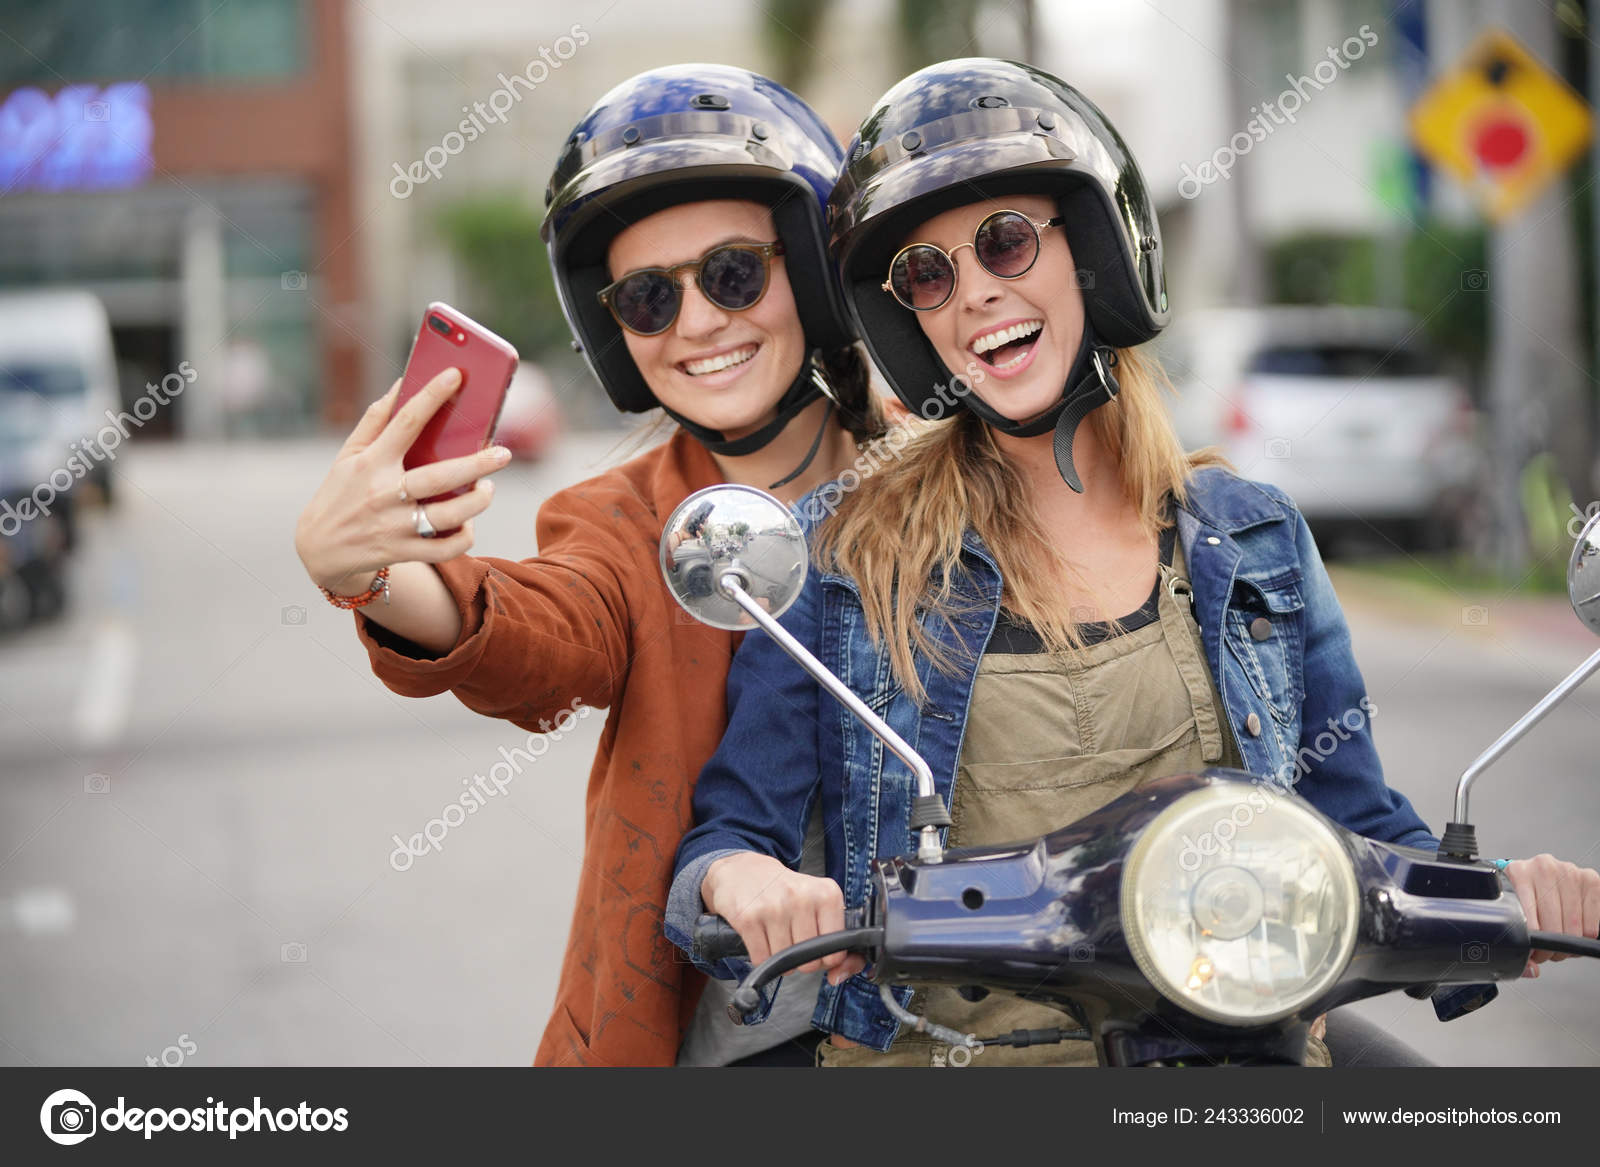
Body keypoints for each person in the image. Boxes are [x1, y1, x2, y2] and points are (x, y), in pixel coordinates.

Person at [665, 58, 1600, 1067]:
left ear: (1097, 255)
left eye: (1006, 242)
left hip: (1237, 1050)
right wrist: (742, 885)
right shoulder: (841, 554)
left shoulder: (1251, 534)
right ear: (910, 320)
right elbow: (728, 836)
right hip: (948, 1065)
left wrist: (1507, 891)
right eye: (927, 274)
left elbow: (1354, 820)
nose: (975, 293)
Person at [293, 64, 888, 1067]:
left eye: (735, 272)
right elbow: (543, 630)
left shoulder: (934, 478)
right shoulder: (622, 523)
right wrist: (373, 573)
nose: (698, 322)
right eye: (649, 299)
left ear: (811, 271)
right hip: (723, 1052)